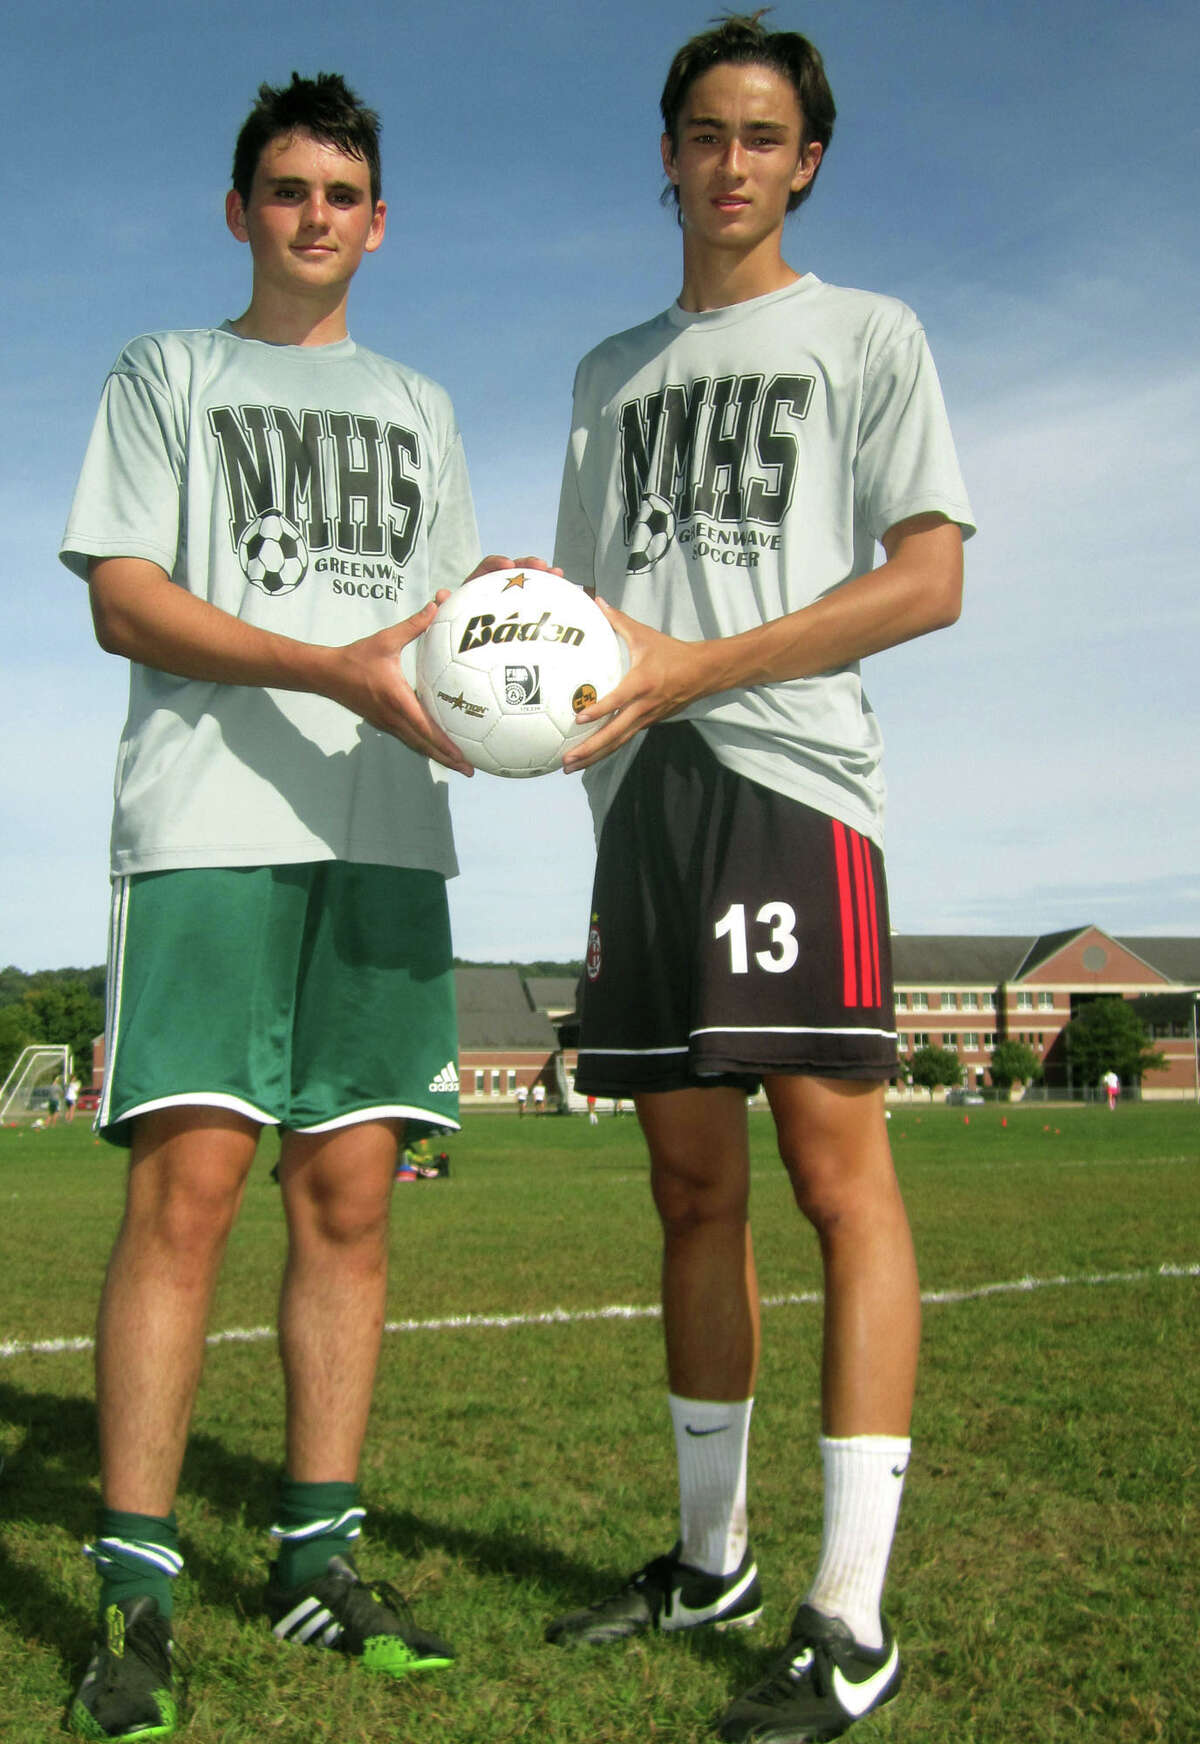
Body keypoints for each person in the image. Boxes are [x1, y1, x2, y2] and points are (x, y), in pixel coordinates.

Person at [60, 71, 548, 1742]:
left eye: (343, 192)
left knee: (351, 1198)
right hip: (204, 829)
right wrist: (326, 661)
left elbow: (452, 627)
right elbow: (127, 598)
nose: (314, 215)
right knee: (186, 1196)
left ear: (379, 220)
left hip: (389, 839)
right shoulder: (167, 374)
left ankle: (317, 1562)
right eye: (285, 189)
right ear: (239, 210)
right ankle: (134, 1593)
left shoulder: (421, 403)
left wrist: (514, 672)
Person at [546, 16, 973, 1742]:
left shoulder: (865, 335)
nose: (731, 162)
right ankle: (710, 1557)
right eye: (704, 133)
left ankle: (849, 1618)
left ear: (806, 162)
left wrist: (699, 665)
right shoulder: (606, 371)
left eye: (765, 136)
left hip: (792, 785)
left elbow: (928, 576)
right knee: (689, 1192)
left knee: (835, 1176)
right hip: (645, 805)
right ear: (665, 153)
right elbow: (592, 630)